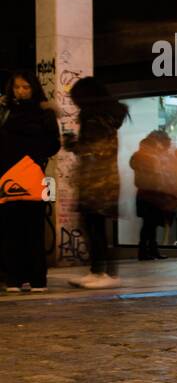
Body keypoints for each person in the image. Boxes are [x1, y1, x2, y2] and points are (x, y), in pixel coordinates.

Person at [0, 72, 61, 292]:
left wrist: (32, 156)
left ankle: (37, 279)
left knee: (34, 230)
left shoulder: (44, 113)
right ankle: (15, 278)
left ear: (34, 88)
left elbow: (54, 145)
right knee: (11, 231)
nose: (21, 91)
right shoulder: (5, 112)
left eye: (26, 87)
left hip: (35, 176)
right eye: (17, 87)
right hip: (8, 177)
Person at [67, 77, 128, 290]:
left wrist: (75, 145)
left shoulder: (93, 118)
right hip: (104, 179)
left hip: (96, 180)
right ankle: (99, 271)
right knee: (95, 227)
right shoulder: (105, 117)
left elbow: (96, 148)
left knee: (94, 228)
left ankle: (104, 273)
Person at [130, 131, 171, 261]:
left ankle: (149, 251)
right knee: (150, 225)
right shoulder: (150, 158)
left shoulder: (137, 157)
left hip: (142, 194)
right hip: (152, 194)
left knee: (149, 224)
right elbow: (158, 176)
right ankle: (147, 251)